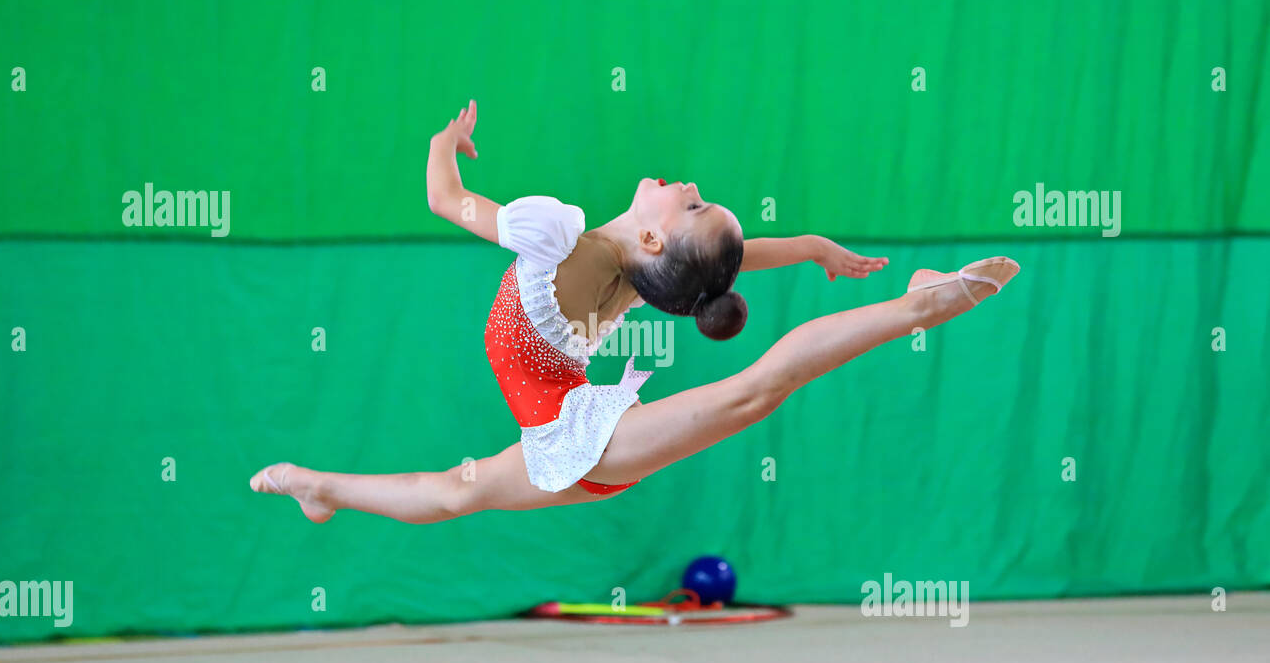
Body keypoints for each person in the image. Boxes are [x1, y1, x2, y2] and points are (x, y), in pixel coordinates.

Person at [251, 100, 1019, 523]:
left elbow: (443, 200)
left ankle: (919, 304)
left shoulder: (559, 238)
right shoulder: (639, 272)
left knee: (757, 390)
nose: (687, 183)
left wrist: (441, 142)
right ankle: (323, 488)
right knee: (452, 493)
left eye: (694, 200)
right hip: (563, 437)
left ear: (655, 232)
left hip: (582, 433)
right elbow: (739, 258)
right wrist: (815, 243)